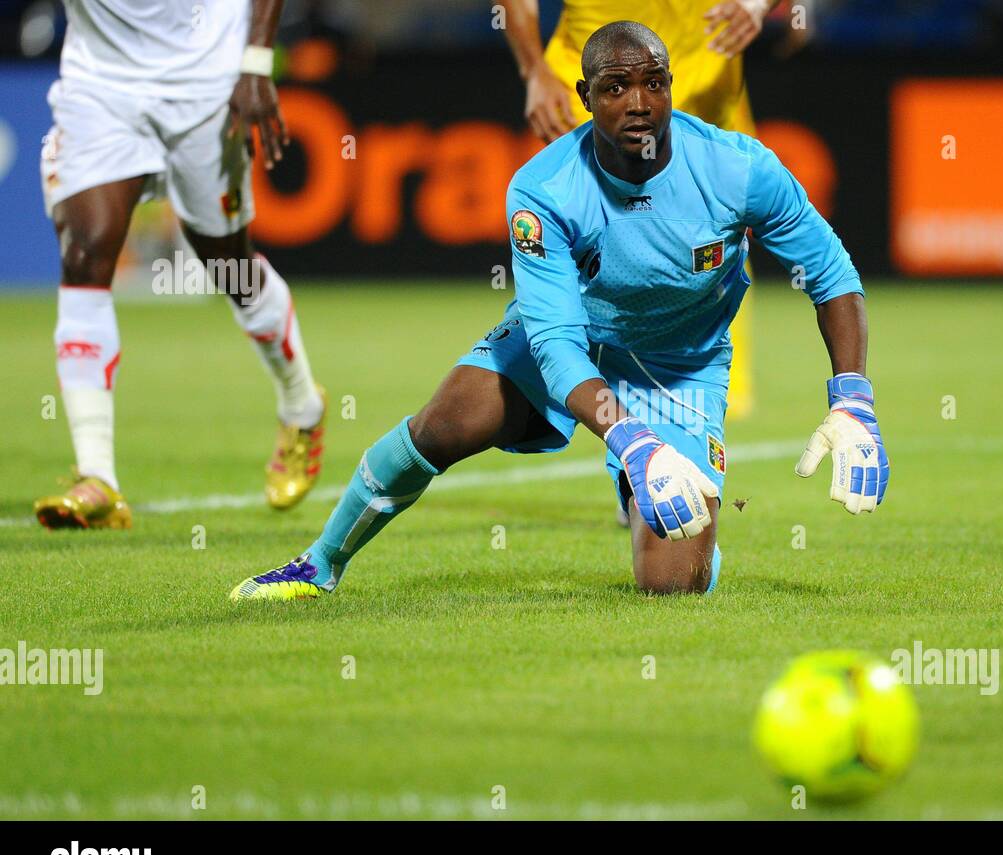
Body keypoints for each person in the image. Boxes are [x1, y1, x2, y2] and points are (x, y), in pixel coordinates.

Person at [229, 20, 886, 600]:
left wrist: (852, 398)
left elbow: (830, 272)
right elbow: (554, 343)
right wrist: (631, 438)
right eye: (615, 87)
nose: (638, 102)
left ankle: (685, 524)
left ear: (671, 87)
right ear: (585, 97)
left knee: (672, 584)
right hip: (576, 340)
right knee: (444, 423)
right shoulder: (543, 190)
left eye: (653, 83)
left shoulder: (737, 168)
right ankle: (318, 564)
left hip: (679, 368)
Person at [34, 0, 325, 530]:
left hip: (206, 81)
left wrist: (256, 64)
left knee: (230, 269)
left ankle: (301, 404)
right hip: (101, 86)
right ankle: (97, 478)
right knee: (85, 254)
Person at [502, 0, 784, 426]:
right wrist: (533, 71)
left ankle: (697, 386)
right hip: (599, 86)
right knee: (582, 239)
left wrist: (758, 6)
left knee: (721, 235)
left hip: (709, 74)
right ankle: (559, 377)